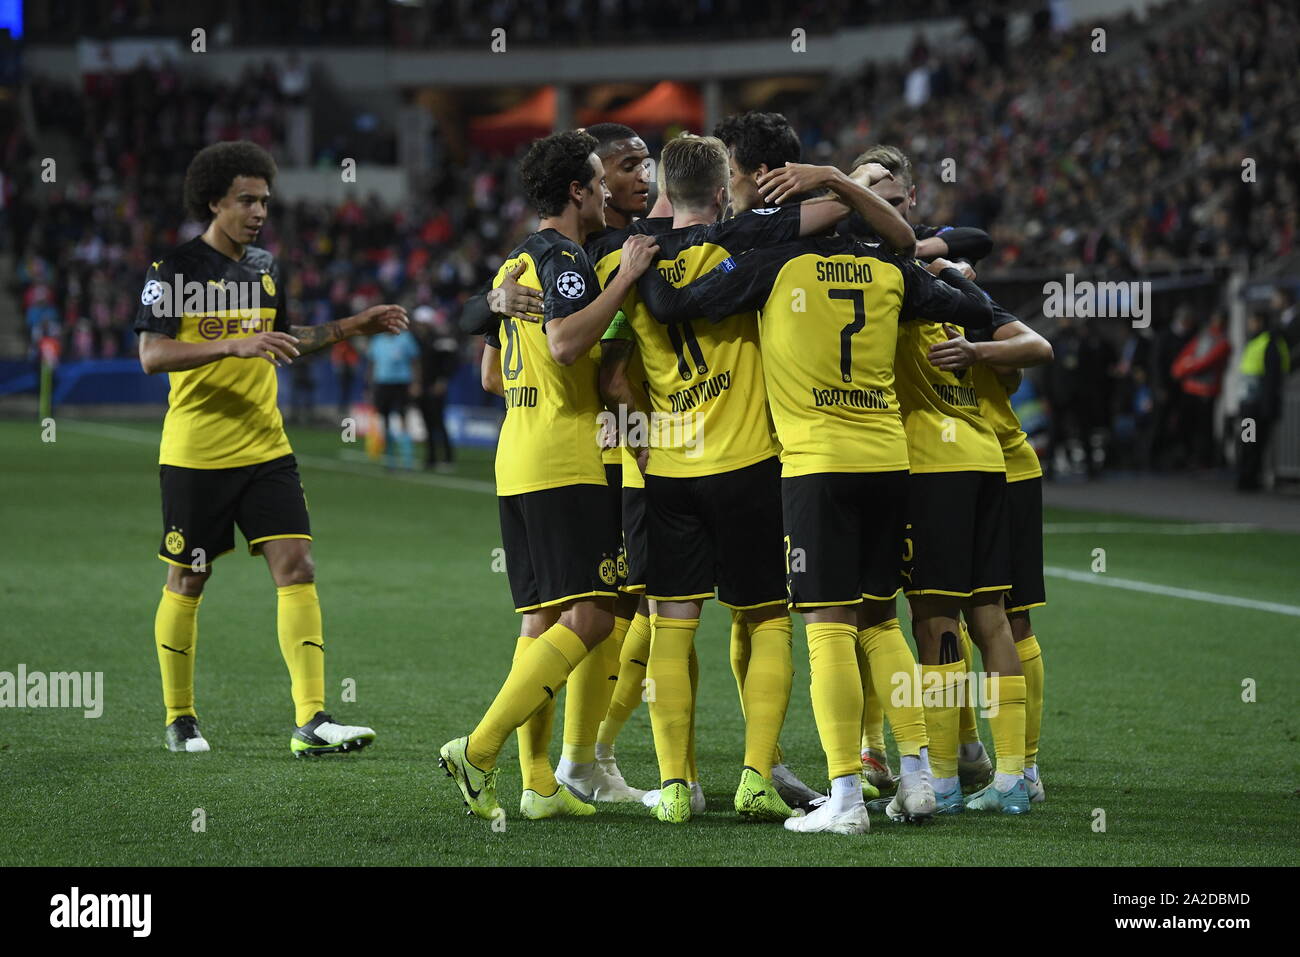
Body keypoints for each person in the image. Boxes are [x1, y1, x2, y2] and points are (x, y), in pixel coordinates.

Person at [636, 209, 997, 833]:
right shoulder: (891, 268)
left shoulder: (775, 264)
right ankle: (916, 781)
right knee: (881, 620)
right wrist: (951, 271)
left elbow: (673, 306)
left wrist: (636, 269)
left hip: (817, 466)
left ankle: (847, 800)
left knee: (828, 626)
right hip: (888, 460)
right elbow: (979, 315)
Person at [133, 140, 408, 756]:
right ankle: (181, 717)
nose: (259, 212)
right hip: (197, 453)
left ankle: (311, 719)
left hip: (266, 448)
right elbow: (152, 355)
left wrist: (349, 326)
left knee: (298, 568)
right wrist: (230, 345)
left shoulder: (261, 265)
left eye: (264, 200)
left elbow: (280, 340)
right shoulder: (174, 271)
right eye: (246, 200)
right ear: (214, 200)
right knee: (189, 576)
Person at [437, 130, 660, 822]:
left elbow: (490, 373)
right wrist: (623, 277)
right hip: (567, 461)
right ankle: (479, 747)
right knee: (594, 614)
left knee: (542, 621)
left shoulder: (514, 263)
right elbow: (565, 343)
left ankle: (538, 783)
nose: (602, 192)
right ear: (577, 190)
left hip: (518, 454)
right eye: (597, 181)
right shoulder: (566, 258)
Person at [1236, 310, 1290, 491]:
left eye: (1252, 320)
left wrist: (1267, 406)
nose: (1249, 324)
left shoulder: (1267, 343)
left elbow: (1271, 378)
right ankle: (1247, 477)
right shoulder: (1259, 341)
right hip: (1250, 403)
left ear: (1259, 321)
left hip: (1255, 405)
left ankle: (1249, 478)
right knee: (1249, 441)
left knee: (1251, 442)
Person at [1172, 311, 1231, 469]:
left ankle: (1204, 459)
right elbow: (1186, 355)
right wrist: (1180, 369)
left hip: (1207, 389)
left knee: (1204, 428)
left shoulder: (1223, 341)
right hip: (1191, 388)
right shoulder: (1203, 337)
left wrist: (1186, 368)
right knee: (1186, 425)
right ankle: (1187, 456)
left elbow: (1205, 362)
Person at [367, 320, 421, 469]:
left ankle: (407, 458)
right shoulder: (377, 341)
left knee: (403, 418)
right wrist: (370, 387)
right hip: (382, 383)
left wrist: (416, 382)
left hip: (401, 383)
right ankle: (390, 459)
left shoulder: (405, 338)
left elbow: (415, 361)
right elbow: (371, 364)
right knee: (385, 421)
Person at [412, 305, 458, 471]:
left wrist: (443, 380)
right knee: (427, 424)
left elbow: (451, 362)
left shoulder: (439, 340)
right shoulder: (418, 340)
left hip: (436, 386)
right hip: (423, 386)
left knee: (438, 422)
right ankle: (431, 458)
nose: (419, 326)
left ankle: (447, 458)